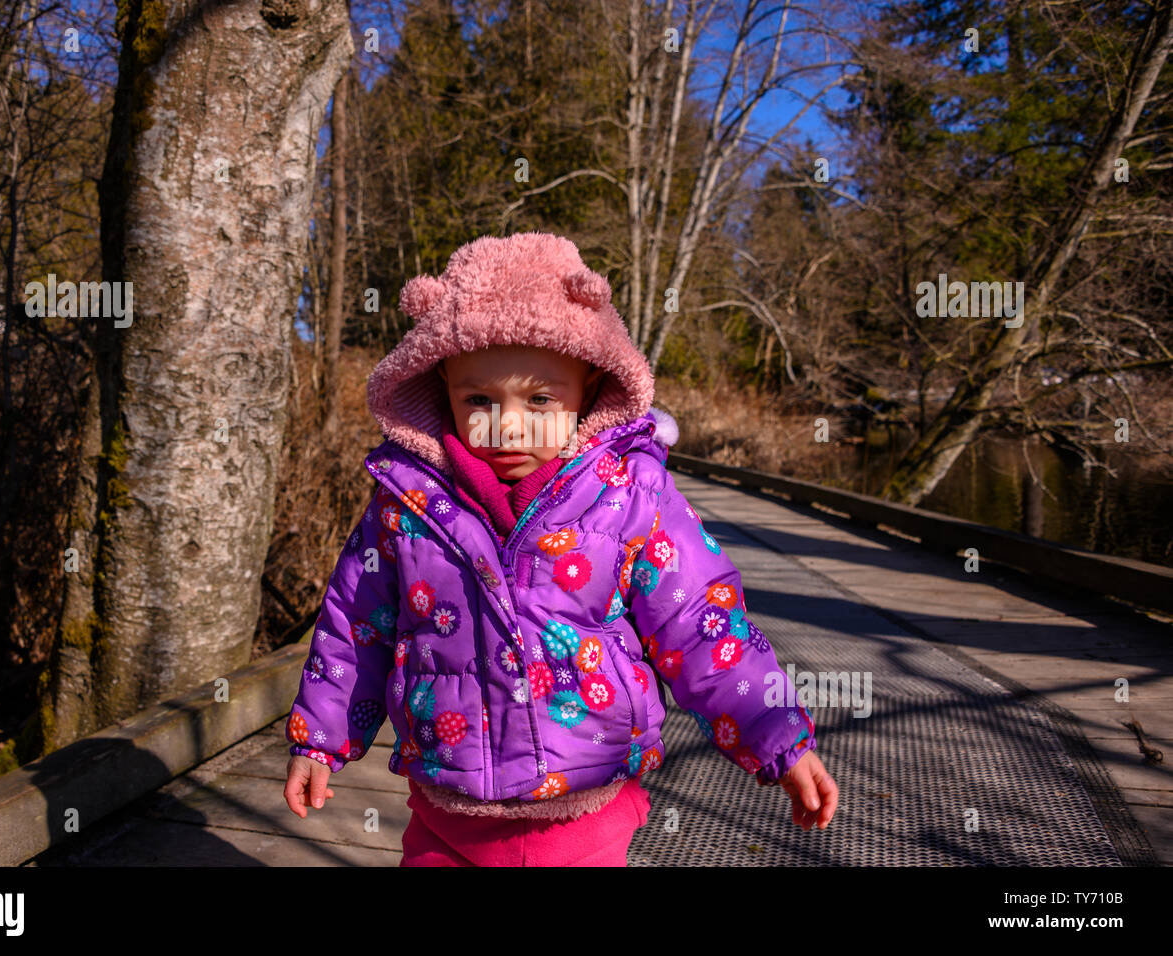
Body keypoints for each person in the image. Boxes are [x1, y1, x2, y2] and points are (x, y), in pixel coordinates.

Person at [283, 231, 838, 866]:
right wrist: (320, 738)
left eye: (541, 400)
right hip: (444, 808)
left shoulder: (629, 494)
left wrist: (779, 739)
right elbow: (357, 624)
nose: (509, 425)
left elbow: (701, 627)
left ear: (590, 385)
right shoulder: (406, 503)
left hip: (584, 811)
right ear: (442, 387)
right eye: (479, 401)